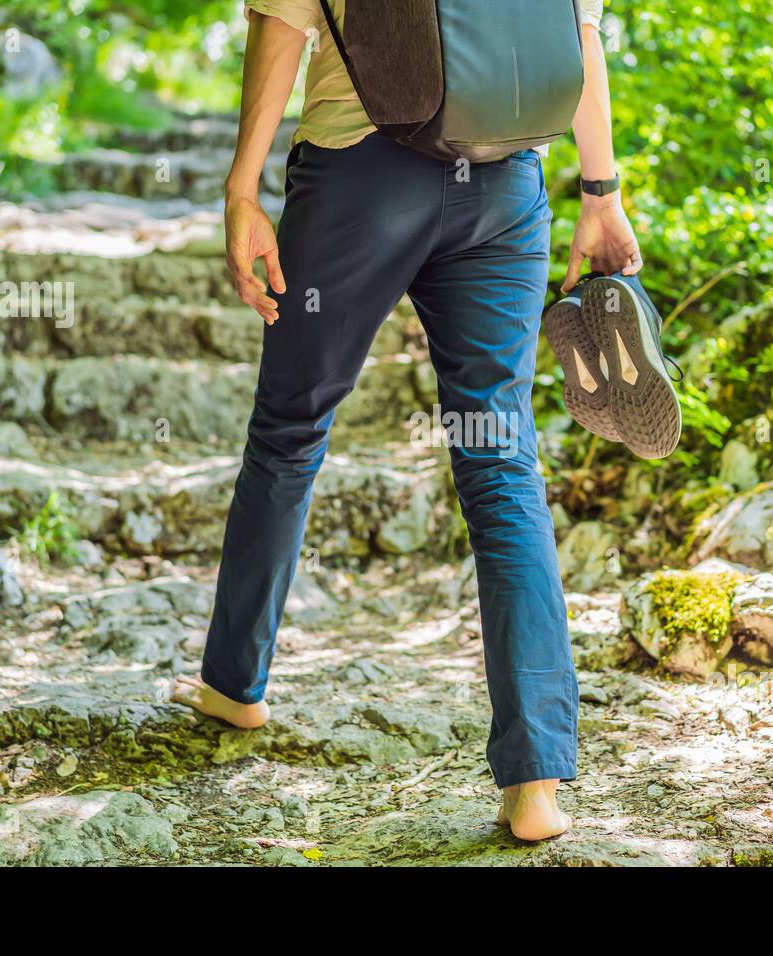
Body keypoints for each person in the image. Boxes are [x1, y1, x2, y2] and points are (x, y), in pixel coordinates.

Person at [172, 0, 642, 843]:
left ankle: (235, 685)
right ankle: (536, 780)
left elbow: (282, 24)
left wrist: (243, 191)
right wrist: (600, 190)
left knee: (291, 426)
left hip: (361, 174)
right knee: (500, 459)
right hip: (505, 183)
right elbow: (579, 35)